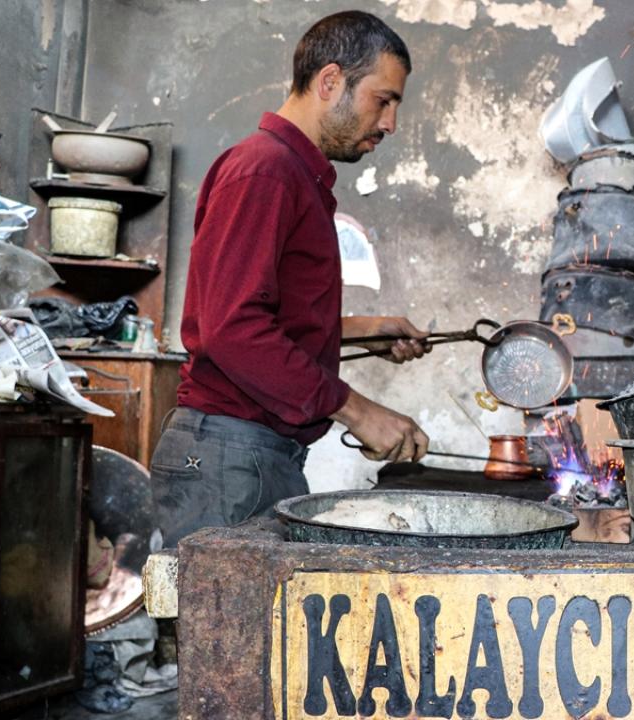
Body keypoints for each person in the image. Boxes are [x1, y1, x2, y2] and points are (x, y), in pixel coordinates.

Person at [151, 11, 430, 547]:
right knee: (227, 631)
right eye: (384, 99)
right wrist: (358, 410)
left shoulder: (291, 173)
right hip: (228, 459)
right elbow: (234, 329)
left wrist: (366, 328)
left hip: (251, 457)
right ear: (330, 82)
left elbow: (264, 311)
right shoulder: (265, 170)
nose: (391, 123)